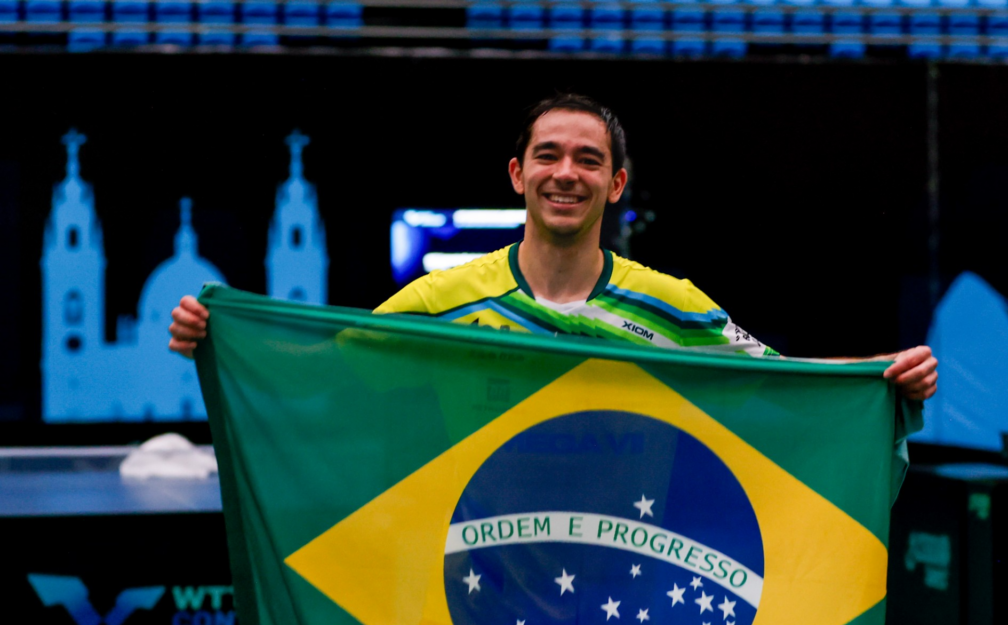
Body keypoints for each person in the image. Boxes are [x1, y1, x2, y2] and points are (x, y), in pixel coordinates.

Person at [170, 94, 938, 401]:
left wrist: (880, 374)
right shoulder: (444, 299)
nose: (565, 173)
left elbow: (780, 379)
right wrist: (220, 335)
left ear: (617, 184)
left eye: (588, 159)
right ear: (517, 173)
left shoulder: (668, 302)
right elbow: (324, 364)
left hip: (627, 578)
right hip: (477, 585)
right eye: (547, 156)